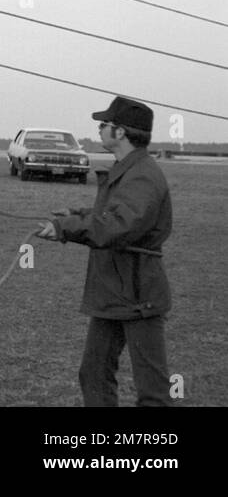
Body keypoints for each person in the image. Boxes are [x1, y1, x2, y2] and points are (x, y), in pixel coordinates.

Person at [37, 96, 174, 407]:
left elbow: (119, 225)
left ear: (121, 132)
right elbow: (113, 213)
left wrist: (66, 227)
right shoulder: (128, 169)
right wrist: (73, 213)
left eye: (104, 124)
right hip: (115, 292)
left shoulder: (142, 175)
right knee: (94, 374)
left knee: (152, 392)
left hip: (139, 295)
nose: (99, 129)